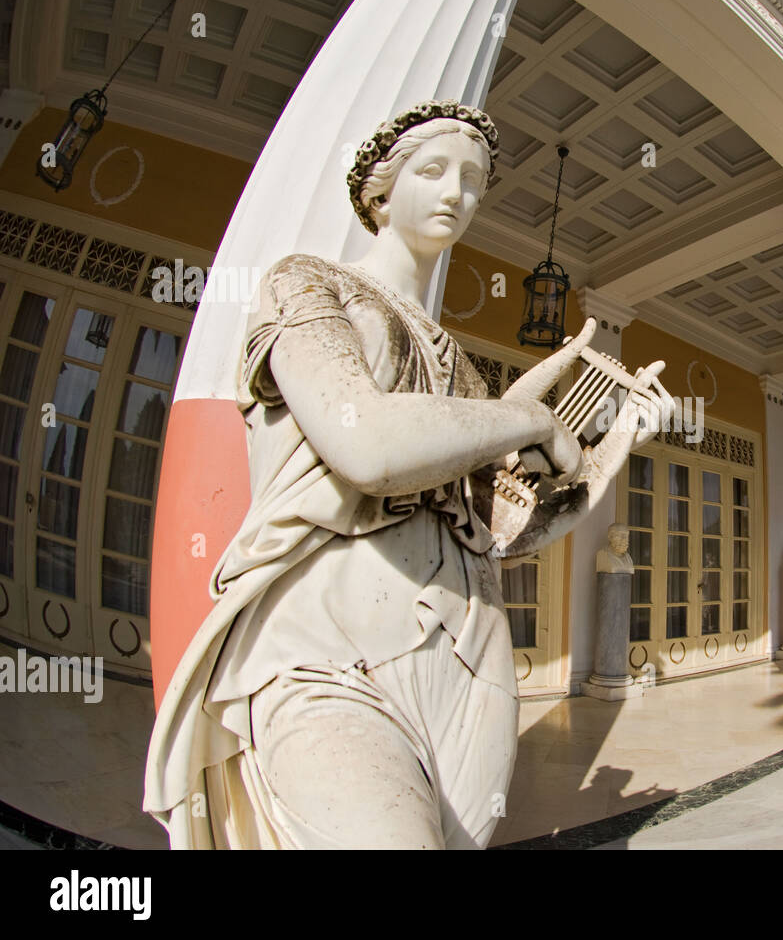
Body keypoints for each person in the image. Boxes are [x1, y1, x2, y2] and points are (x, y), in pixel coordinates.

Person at [143, 100, 672, 849]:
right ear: (380, 192)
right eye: (434, 170)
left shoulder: (455, 363)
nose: (458, 192)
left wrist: (621, 434)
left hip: (468, 674)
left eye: (476, 180)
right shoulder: (306, 286)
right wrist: (531, 419)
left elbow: (507, 530)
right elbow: (368, 446)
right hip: (325, 651)